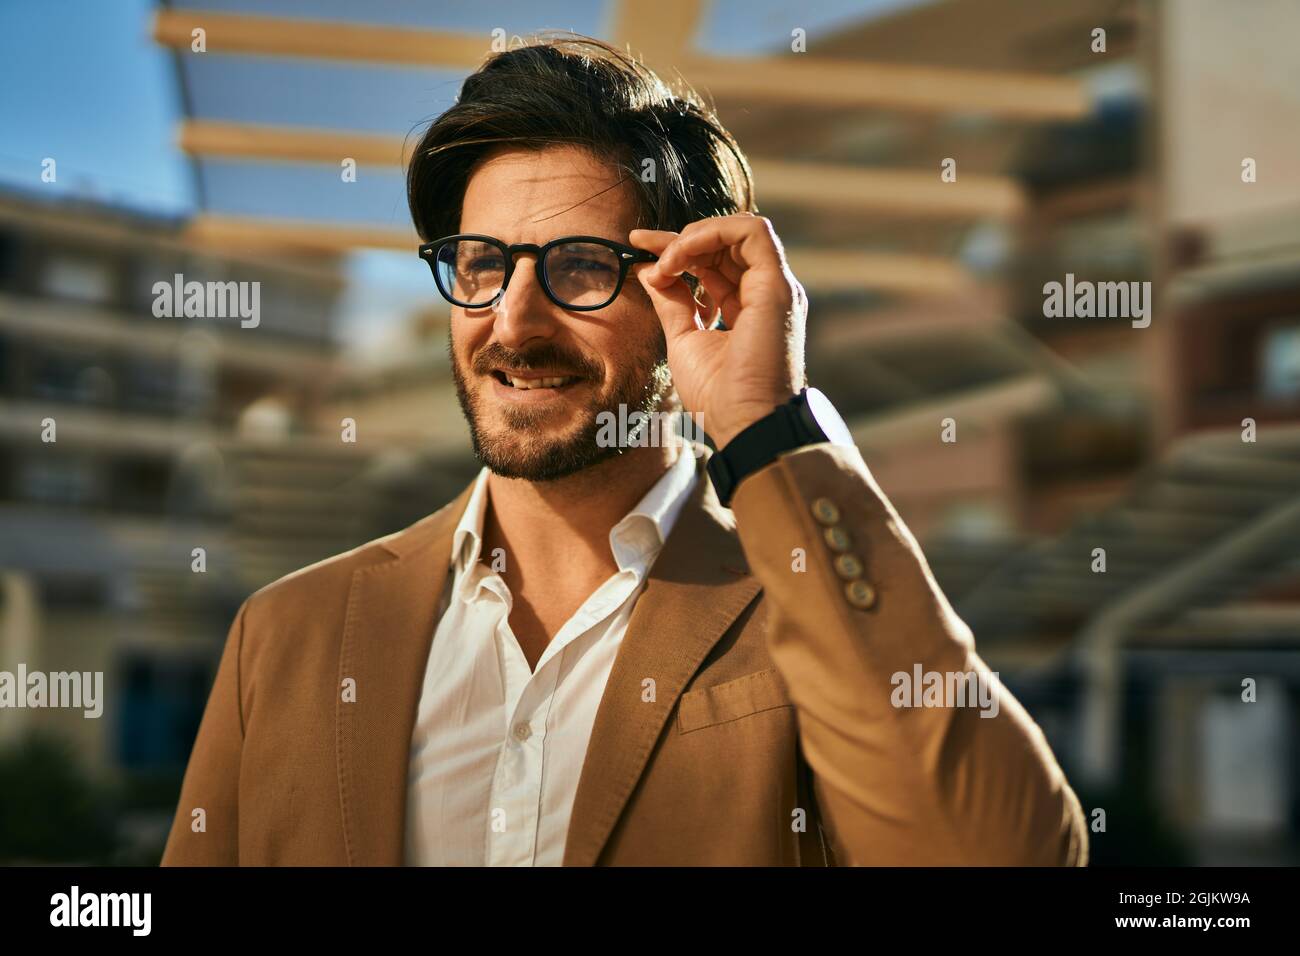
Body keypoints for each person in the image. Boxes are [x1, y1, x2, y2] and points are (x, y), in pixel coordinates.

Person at [162, 33, 1087, 867]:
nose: (512, 322)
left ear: (691, 296)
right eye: (482, 263)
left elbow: (1000, 853)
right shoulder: (286, 637)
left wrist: (767, 423)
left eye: (581, 267)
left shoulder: (815, 611)